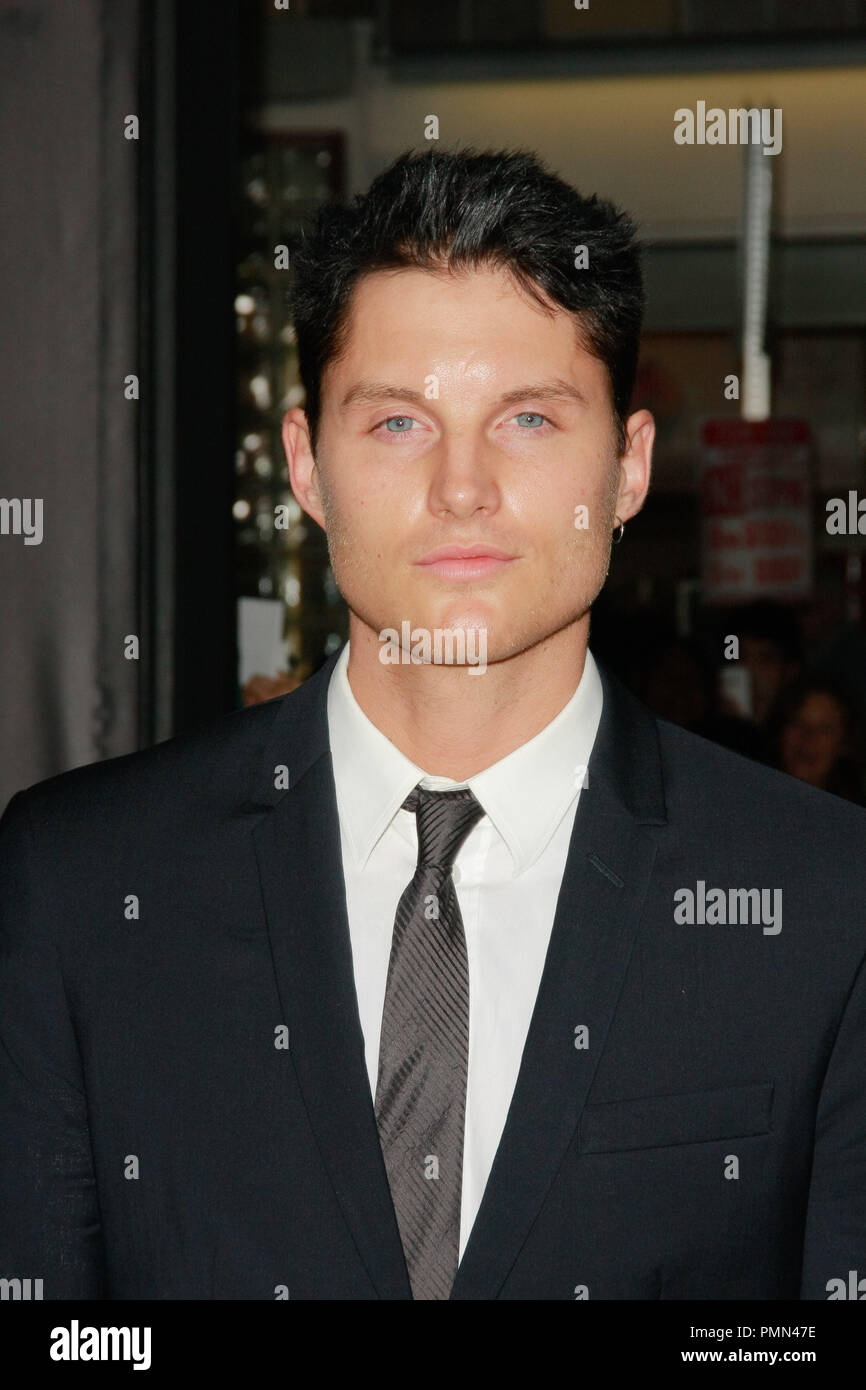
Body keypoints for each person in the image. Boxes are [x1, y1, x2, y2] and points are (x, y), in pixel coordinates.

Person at [1, 147, 865, 1301]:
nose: (462, 486)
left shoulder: (822, 901)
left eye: (527, 419)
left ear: (626, 467)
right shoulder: (83, 883)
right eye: (400, 424)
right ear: (307, 466)